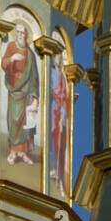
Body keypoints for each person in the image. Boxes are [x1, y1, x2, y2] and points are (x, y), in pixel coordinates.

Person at [2, 23, 40, 165]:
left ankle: (22, 152)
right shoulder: (11, 47)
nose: (20, 35)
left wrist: (35, 98)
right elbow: (4, 64)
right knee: (15, 121)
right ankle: (13, 151)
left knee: (26, 123)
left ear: (26, 35)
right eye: (18, 32)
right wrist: (12, 59)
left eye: (22, 33)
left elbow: (35, 77)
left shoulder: (30, 54)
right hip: (15, 88)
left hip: (27, 91)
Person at [49, 52, 68, 190]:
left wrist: (62, 115)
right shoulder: (50, 72)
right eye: (56, 55)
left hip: (60, 112)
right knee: (51, 141)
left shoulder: (63, 76)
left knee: (59, 143)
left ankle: (59, 174)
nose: (58, 58)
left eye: (60, 56)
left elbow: (65, 96)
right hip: (51, 110)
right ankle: (54, 168)